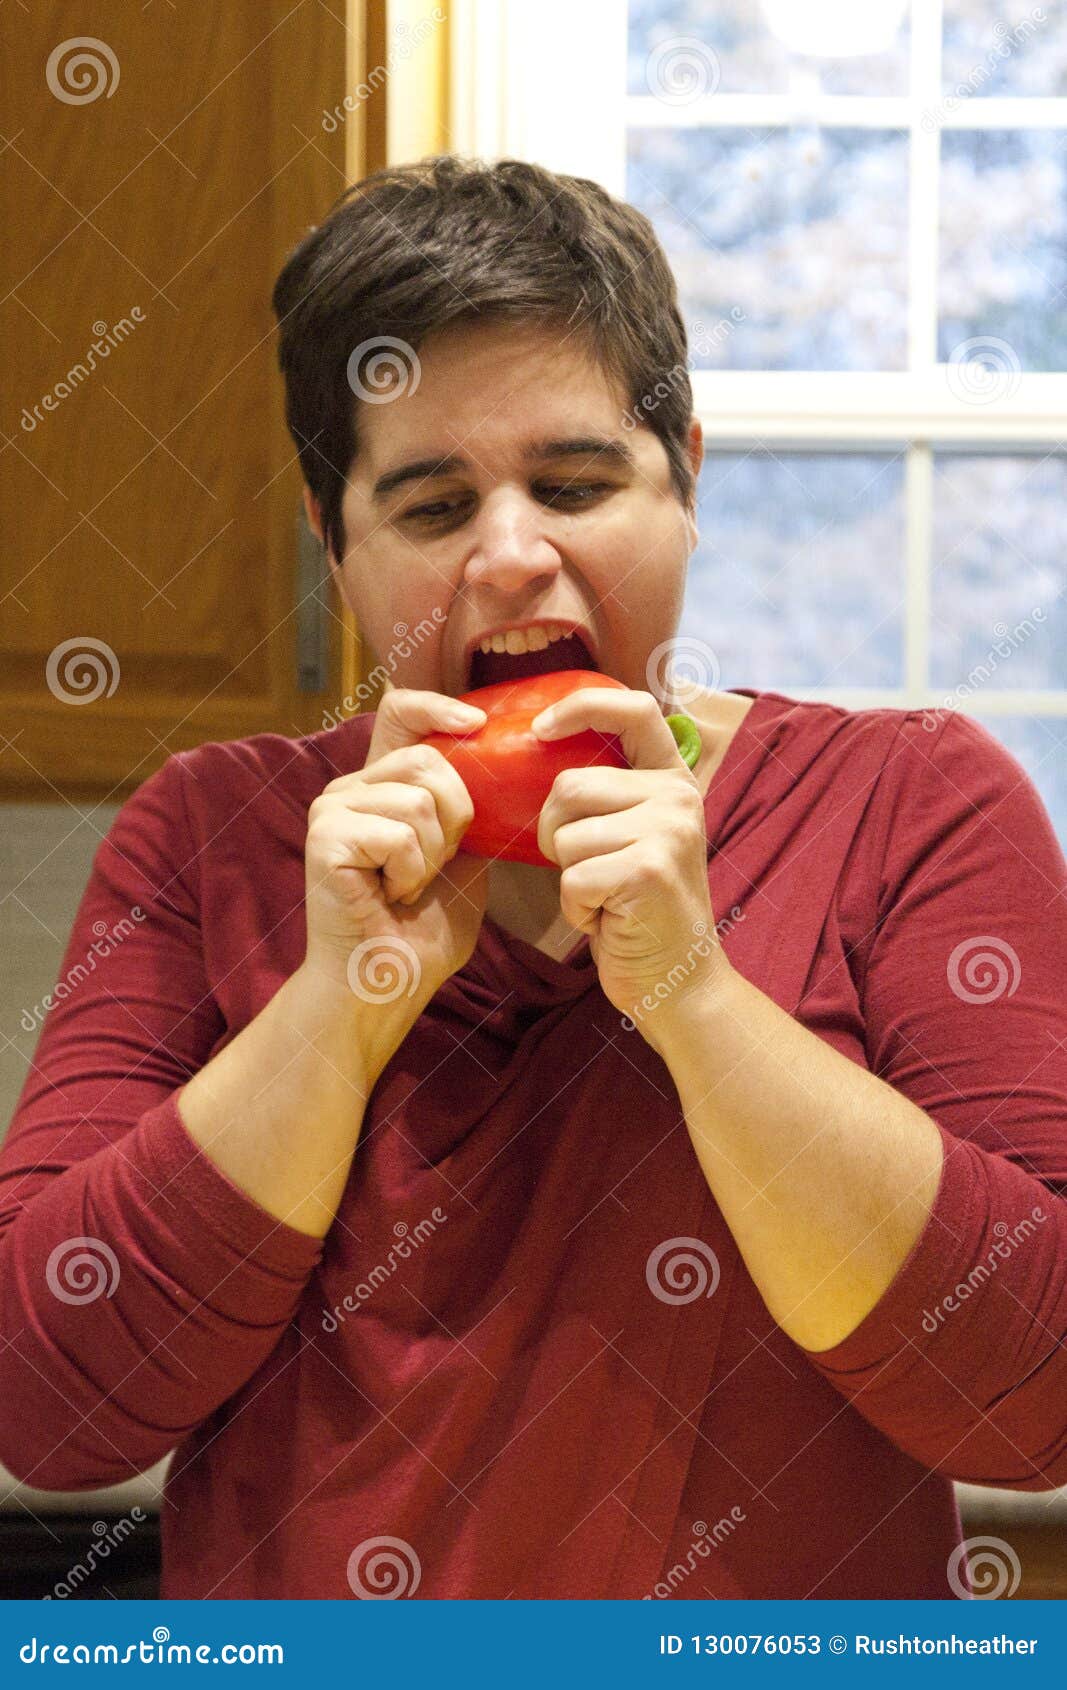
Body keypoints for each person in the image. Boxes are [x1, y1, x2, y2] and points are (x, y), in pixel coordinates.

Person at [1, 156, 1064, 1602]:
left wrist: (696, 997)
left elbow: (1032, 1397)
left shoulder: (914, 803)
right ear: (336, 544)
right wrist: (336, 1007)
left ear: (687, 476)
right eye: (433, 507)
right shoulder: (210, 835)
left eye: (574, 482)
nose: (512, 557)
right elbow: (50, 1407)